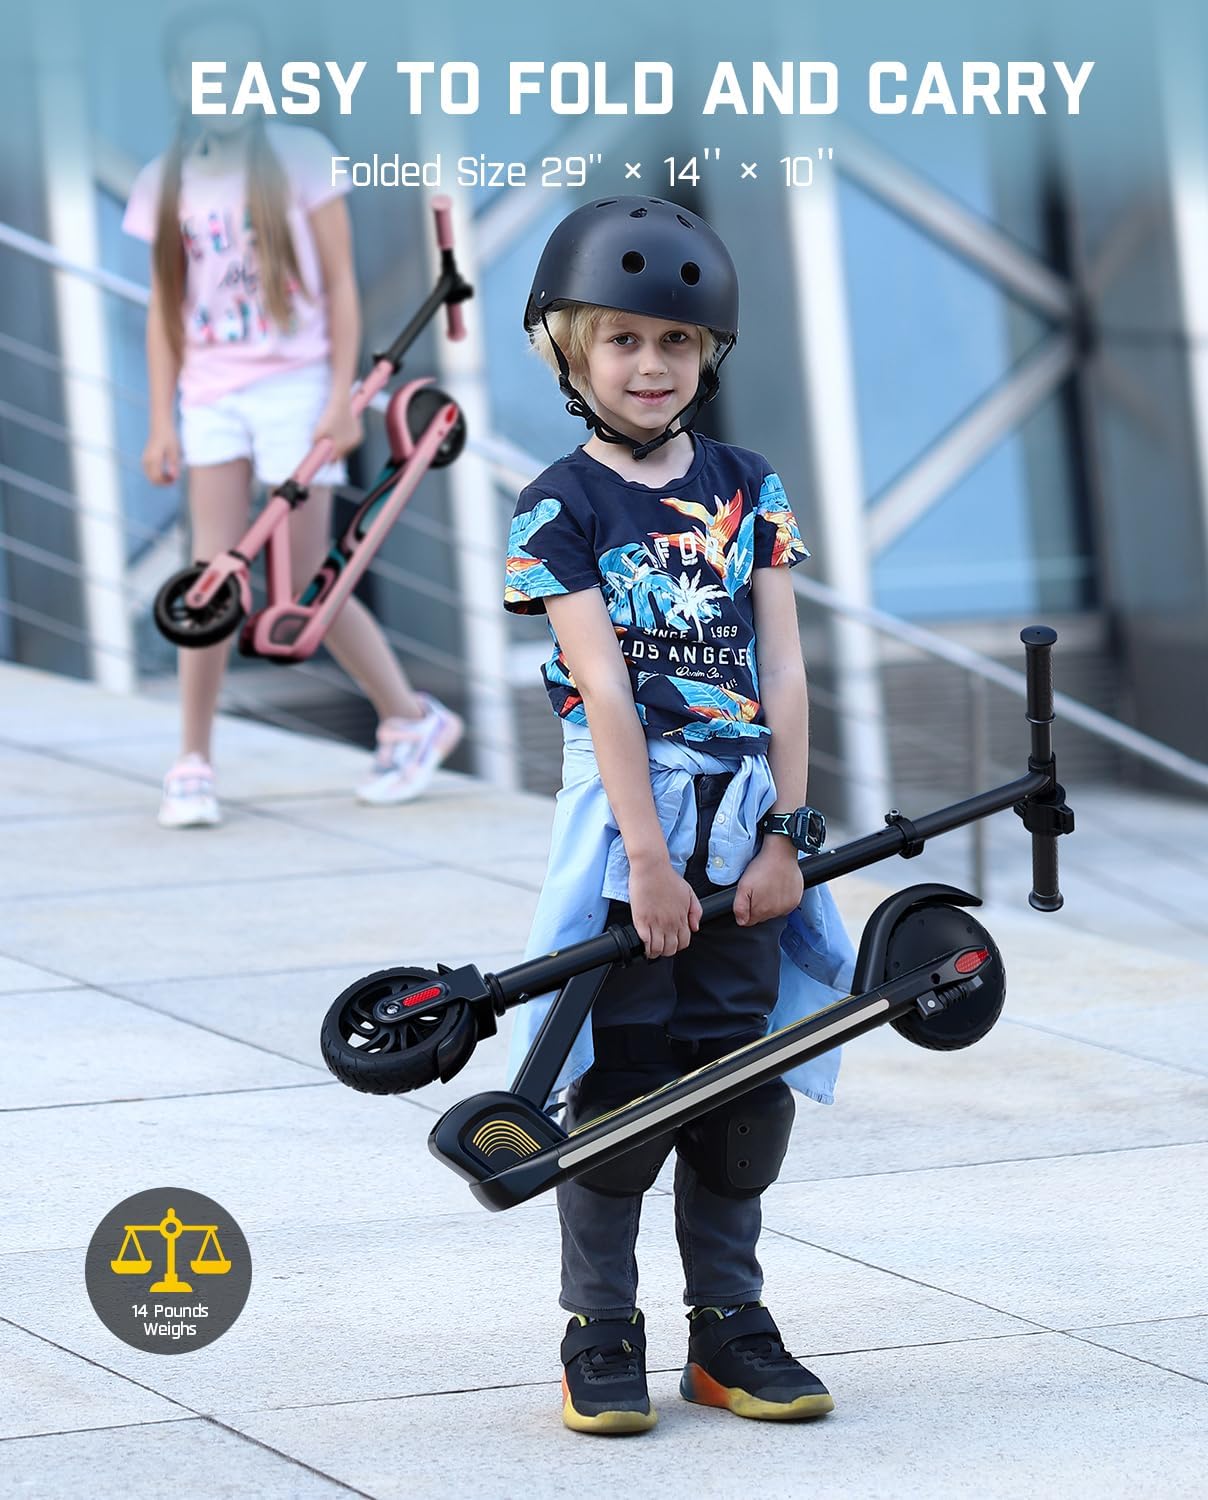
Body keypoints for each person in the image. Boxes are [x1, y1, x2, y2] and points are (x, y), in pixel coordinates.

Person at [504, 196, 855, 1435]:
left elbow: (785, 670)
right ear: (569, 353)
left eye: (674, 342)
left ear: (707, 355)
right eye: (621, 339)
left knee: (739, 1082)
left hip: (743, 811)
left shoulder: (746, 486)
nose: (649, 364)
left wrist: (787, 836)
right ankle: (598, 1329)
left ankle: (729, 1327)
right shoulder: (557, 505)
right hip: (626, 824)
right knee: (620, 1087)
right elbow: (603, 689)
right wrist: (645, 864)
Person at [124, 12, 461, 829]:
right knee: (208, 577)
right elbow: (165, 310)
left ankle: (409, 720)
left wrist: (339, 401)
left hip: (296, 388)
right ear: (177, 83)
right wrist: (161, 422)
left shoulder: (303, 157)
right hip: (211, 393)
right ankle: (193, 761)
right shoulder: (163, 180)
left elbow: (341, 286)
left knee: (308, 582)